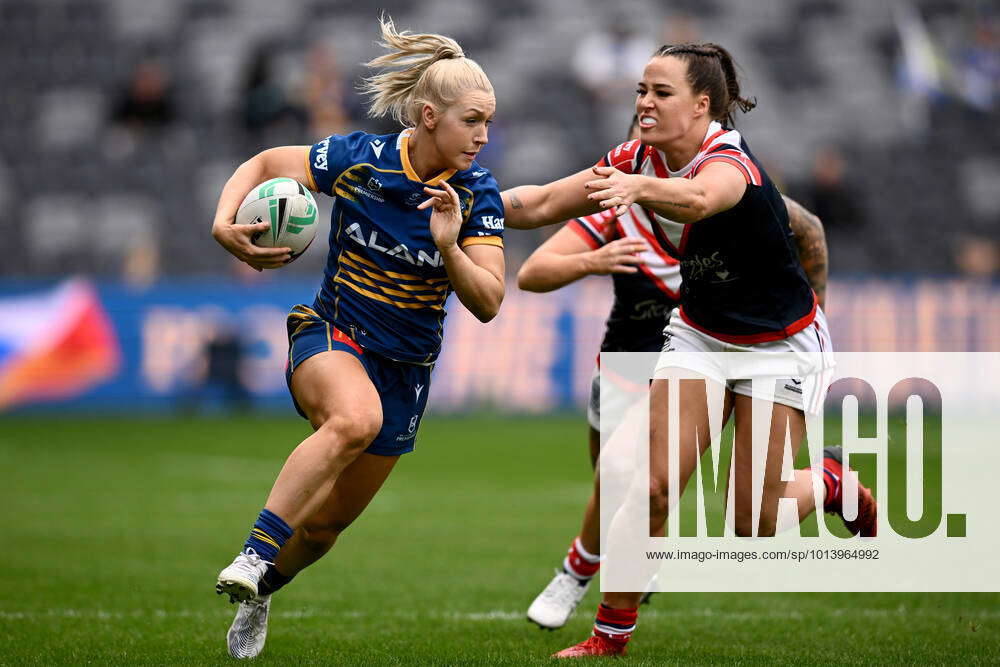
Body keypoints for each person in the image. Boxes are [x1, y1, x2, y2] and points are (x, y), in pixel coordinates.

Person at [501, 43, 876, 657]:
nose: (645, 102)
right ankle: (608, 637)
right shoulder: (635, 160)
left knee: (750, 519)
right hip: (698, 337)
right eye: (641, 92)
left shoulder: (728, 159)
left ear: (704, 105)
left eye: (661, 92)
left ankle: (833, 482)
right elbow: (540, 202)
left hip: (777, 346)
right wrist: (471, 201)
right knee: (649, 485)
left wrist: (634, 186)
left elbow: (703, 200)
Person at [209, 16, 504, 660]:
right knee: (353, 419)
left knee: (323, 530)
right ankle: (252, 554)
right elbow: (264, 161)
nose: (483, 137)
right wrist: (223, 220)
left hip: (408, 370)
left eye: (488, 122)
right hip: (332, 335)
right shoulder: (361, 160)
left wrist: (450, 248)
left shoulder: (477, 194)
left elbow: (488, 301)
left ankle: (262, 589)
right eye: (471, 121)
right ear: (428, 116)